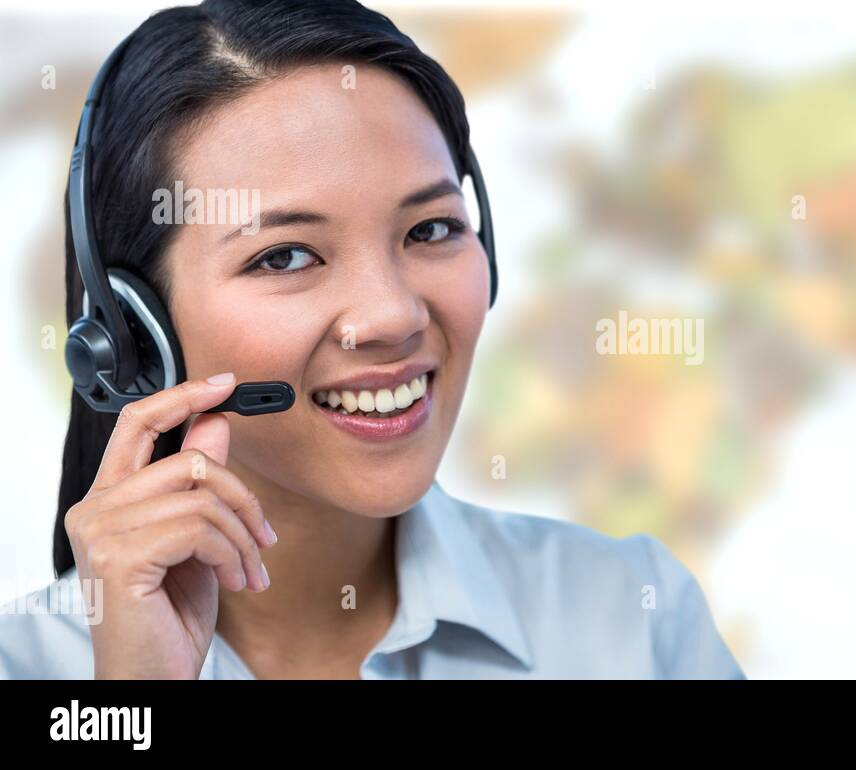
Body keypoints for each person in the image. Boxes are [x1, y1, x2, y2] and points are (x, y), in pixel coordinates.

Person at [0, 0, 744, 680]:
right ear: (134, 328)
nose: (392, 317)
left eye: (431, 229)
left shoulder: (634, 624)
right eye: (285, 255)